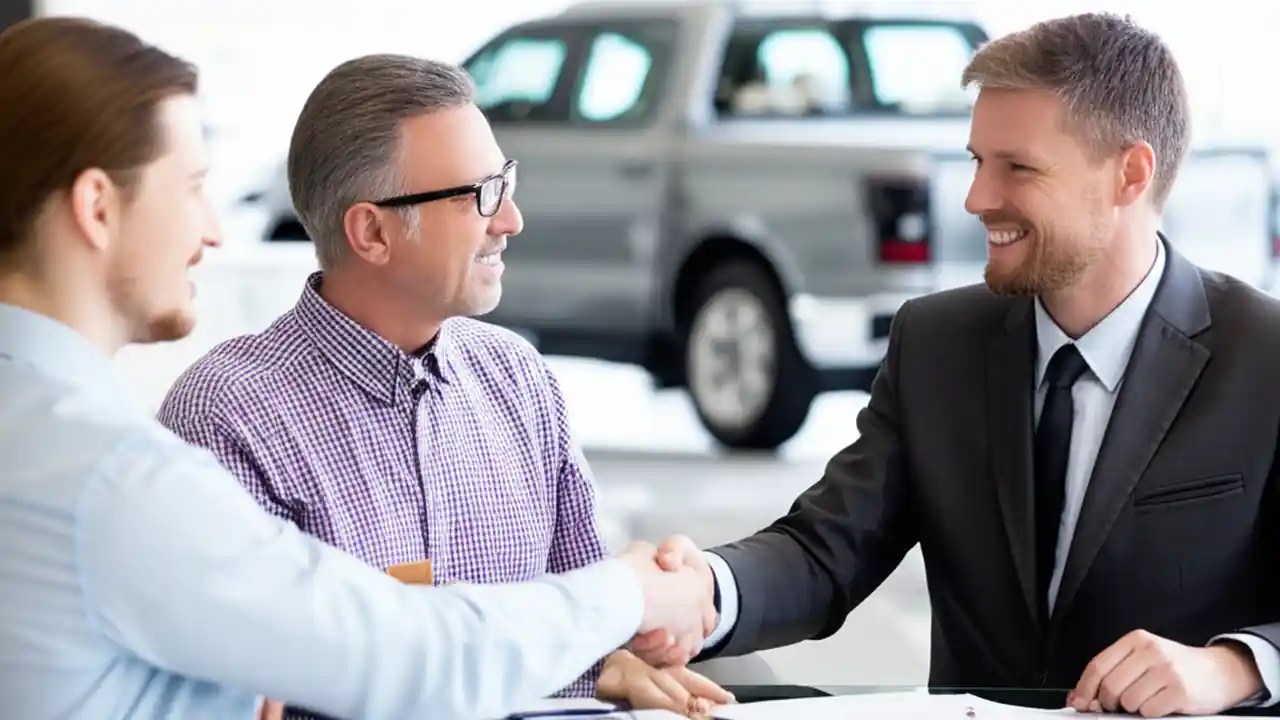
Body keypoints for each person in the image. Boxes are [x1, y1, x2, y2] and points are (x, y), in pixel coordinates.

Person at [0, 16, 716, 720]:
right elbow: (406, 659)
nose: (214, 229)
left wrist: (605, 650)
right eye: (190, 187)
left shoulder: (47, 441)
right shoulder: (124, 471)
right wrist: (625, 592)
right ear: (97, 207)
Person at [634, 12, 1280, 718]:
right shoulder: (936, 343)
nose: (976, 200)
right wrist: (706, 590)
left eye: (1018, 168)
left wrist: (1235, 666)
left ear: (1130, 173)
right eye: (977, 161)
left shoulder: (1265, 356)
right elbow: (824, 553)